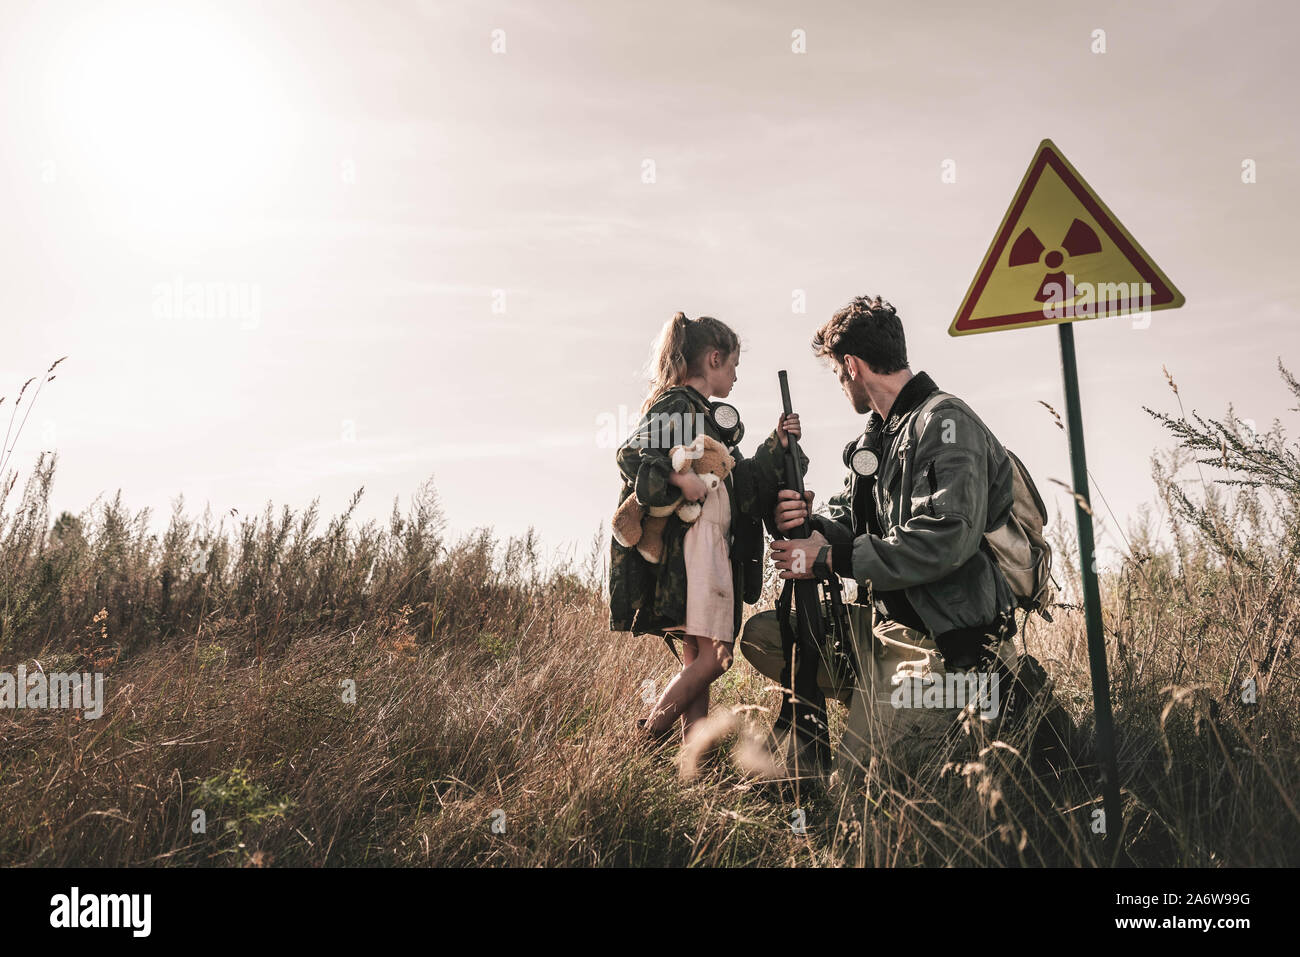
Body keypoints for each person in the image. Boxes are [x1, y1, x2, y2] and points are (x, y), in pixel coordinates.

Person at [742, 294, 1026, 784]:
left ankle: (960, 712)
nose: (839, 384)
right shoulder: (878, 437)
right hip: (881, 632)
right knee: (768, 636)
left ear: (850, 365)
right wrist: (808, 520)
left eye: (835, 374)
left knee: (859, 796)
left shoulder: (945, 421)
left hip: (942, 645)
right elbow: (852, 521)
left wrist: (830, 556)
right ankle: (876, 708)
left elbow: (945, 537)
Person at [610, 312, 804, 745]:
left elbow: (738, 485)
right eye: (733, 365)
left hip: (708, 542)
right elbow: (630, 454)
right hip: (696, 545)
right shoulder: (680, 404)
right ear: (714, 359)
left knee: (698, 658)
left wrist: (778, 444)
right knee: (717, 657)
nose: (735, 376)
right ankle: (648, 735)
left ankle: (692, 765)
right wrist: (679, 479)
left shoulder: (703, 414)